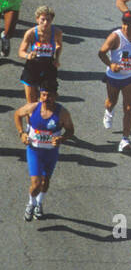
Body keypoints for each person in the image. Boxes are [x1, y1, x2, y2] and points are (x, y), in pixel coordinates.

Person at [14, 85, 73, 222]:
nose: (46, 99)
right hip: (34, 151)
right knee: (36, 183)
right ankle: (31, 203)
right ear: (40, 95)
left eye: (50, 95)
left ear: (56, 96)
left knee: (46, 181)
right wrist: (21, 133)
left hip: (51, 153)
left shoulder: (62, 113)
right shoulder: (33, 108)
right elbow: (17, 114)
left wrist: (62, 138)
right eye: (44, 95)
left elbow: (70, 130)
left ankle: (39, 204)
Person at [99, 12, 131, 154]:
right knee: (112, 101)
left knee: (129, 108)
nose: (125, 27)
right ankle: (109, 111)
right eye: (124, 23)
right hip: (114, 77)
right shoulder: (115, 37)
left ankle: (125, 139)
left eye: (129, 25)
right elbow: (101, 52)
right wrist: (111, 64)